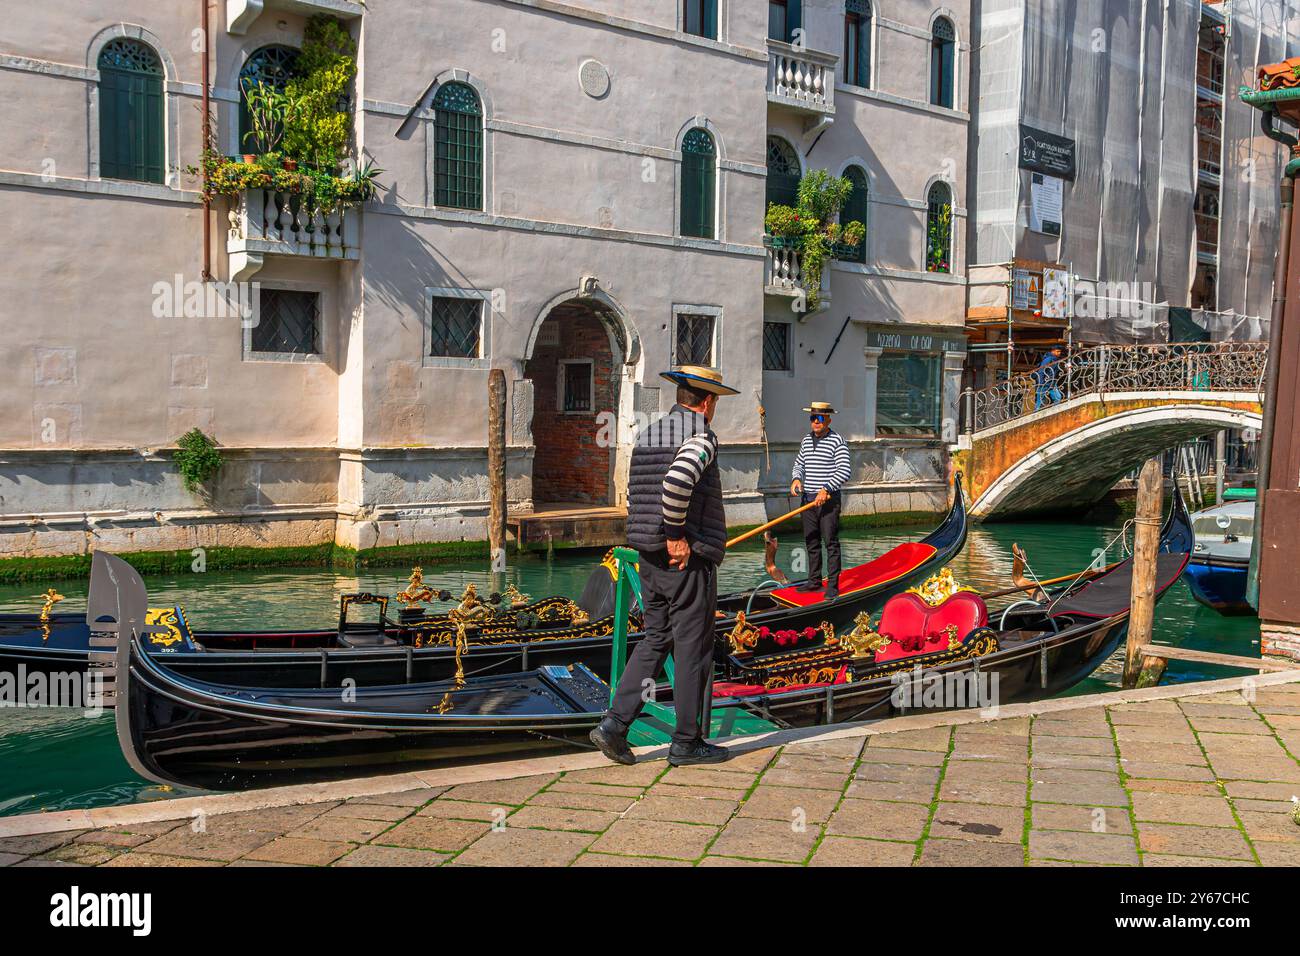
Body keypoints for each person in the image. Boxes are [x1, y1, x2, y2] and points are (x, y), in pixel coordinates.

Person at [589, 364, 739, 767]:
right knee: (693, 649)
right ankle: (687, 742)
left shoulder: (651, 432)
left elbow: (638, 492)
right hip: (684, 559)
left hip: (647, 556)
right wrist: (676, 535)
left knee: (656, 638)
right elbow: (676, 482)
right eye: (716, 402)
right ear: (707, 403)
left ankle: (614, 726)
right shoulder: (699, 435)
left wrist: (656, 539)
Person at [789, 401, 851, 601]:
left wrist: (826, 489)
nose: (816, 421)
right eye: (813, 417)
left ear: (828, 420)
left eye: (821, 417)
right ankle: (814, 581)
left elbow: (845, 470)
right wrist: (796, 478)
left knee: (830, 543)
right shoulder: (806, 440)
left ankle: (832, 585)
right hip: (808, 500)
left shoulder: (837, 441)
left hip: (828, 501)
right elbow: (799, 463)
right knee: (811, 541)